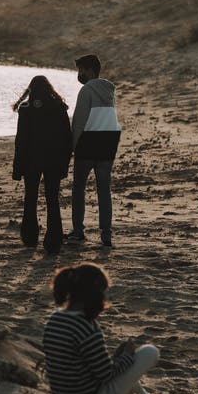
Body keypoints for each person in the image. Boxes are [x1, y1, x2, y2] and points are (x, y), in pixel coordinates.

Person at [43, 263, 183, 394]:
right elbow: (105, 374)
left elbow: (78, 364)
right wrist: (127, 357)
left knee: (128, 374)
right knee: (149, 352)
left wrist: (119, 358)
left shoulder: (55, 319)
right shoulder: (86, 326)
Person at [12, 75, 72, 253]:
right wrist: (64, 164)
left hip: (31, 160)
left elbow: (21, 141)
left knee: (30, 198)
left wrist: (17, 168)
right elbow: (67, 139)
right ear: (49, 89)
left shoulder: (26, 109)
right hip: (54, 160)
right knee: (52, 199)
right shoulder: (59, 108)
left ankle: (30, 239)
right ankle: (54, 242)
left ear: (30, 90)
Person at [68, 54, 121, 248]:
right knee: (104, 190)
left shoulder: (86, 90)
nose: (79, 74)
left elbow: (79, 122)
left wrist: (73, 148)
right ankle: (106, 235)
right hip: (107, 143)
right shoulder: (110, 91)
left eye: (80, 70)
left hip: (88, 144)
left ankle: (78, 231)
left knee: (78, 188)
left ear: (89, 70)